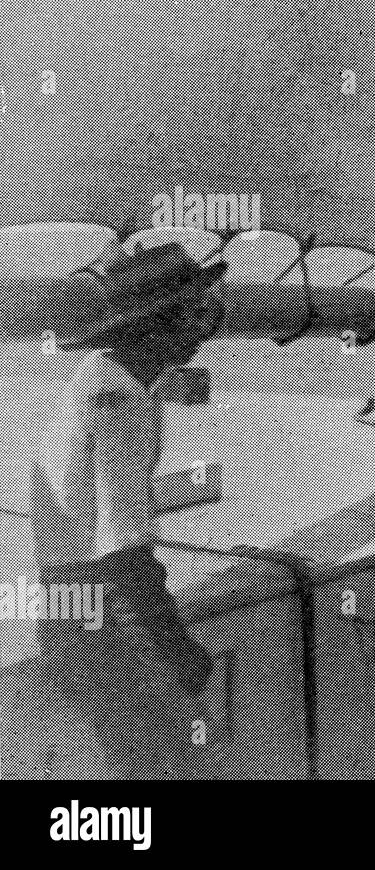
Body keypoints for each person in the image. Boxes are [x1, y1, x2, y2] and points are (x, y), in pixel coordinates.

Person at [32, 240, 228, 778]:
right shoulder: (120, 398)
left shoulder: (99, 381)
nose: (204, 323)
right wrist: (178, 652)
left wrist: (165, 388)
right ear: (151, 327)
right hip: (106, 610)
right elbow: (120, 541)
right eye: (187, 312)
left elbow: (87, 503)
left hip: (63, 606)